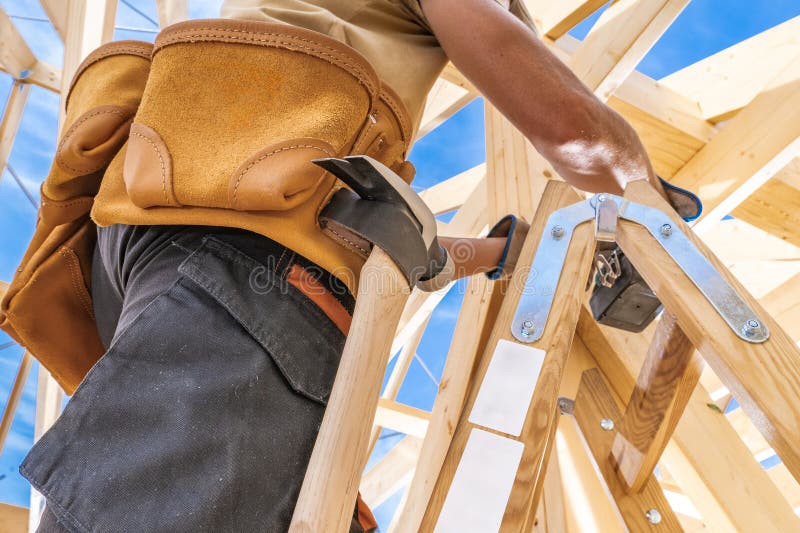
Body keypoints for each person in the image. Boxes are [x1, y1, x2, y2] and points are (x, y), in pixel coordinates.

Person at [11, 1, 699, 532]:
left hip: (176, 251)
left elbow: (348, 227)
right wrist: (646, 199)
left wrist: (493, 254)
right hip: (244, 269)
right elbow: (572, 128)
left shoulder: (295, 100)